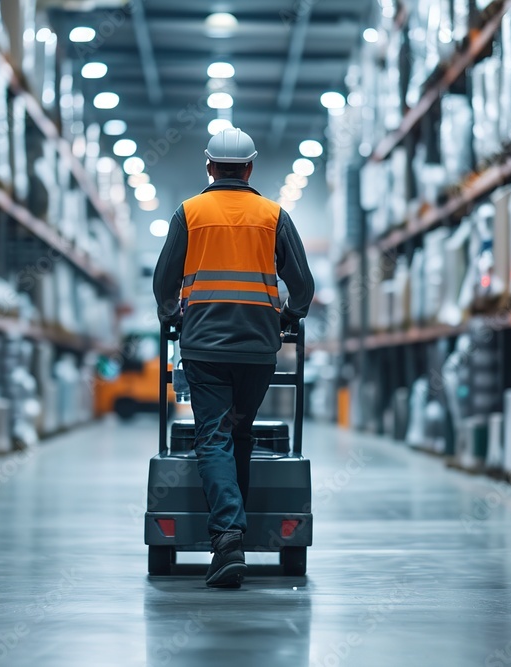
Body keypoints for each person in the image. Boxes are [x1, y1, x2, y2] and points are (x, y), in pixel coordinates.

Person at [153, 128, 315, 588]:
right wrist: (288, 317)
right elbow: (302, 284)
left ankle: (227, 537)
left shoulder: (189, 213)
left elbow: (164, 282)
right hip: (259, 349)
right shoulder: (272, 215)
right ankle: (234, 535)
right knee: (236, 431)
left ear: (208, 166)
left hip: (204, 347)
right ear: (249, 168)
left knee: (214, 436)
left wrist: (172, 316)